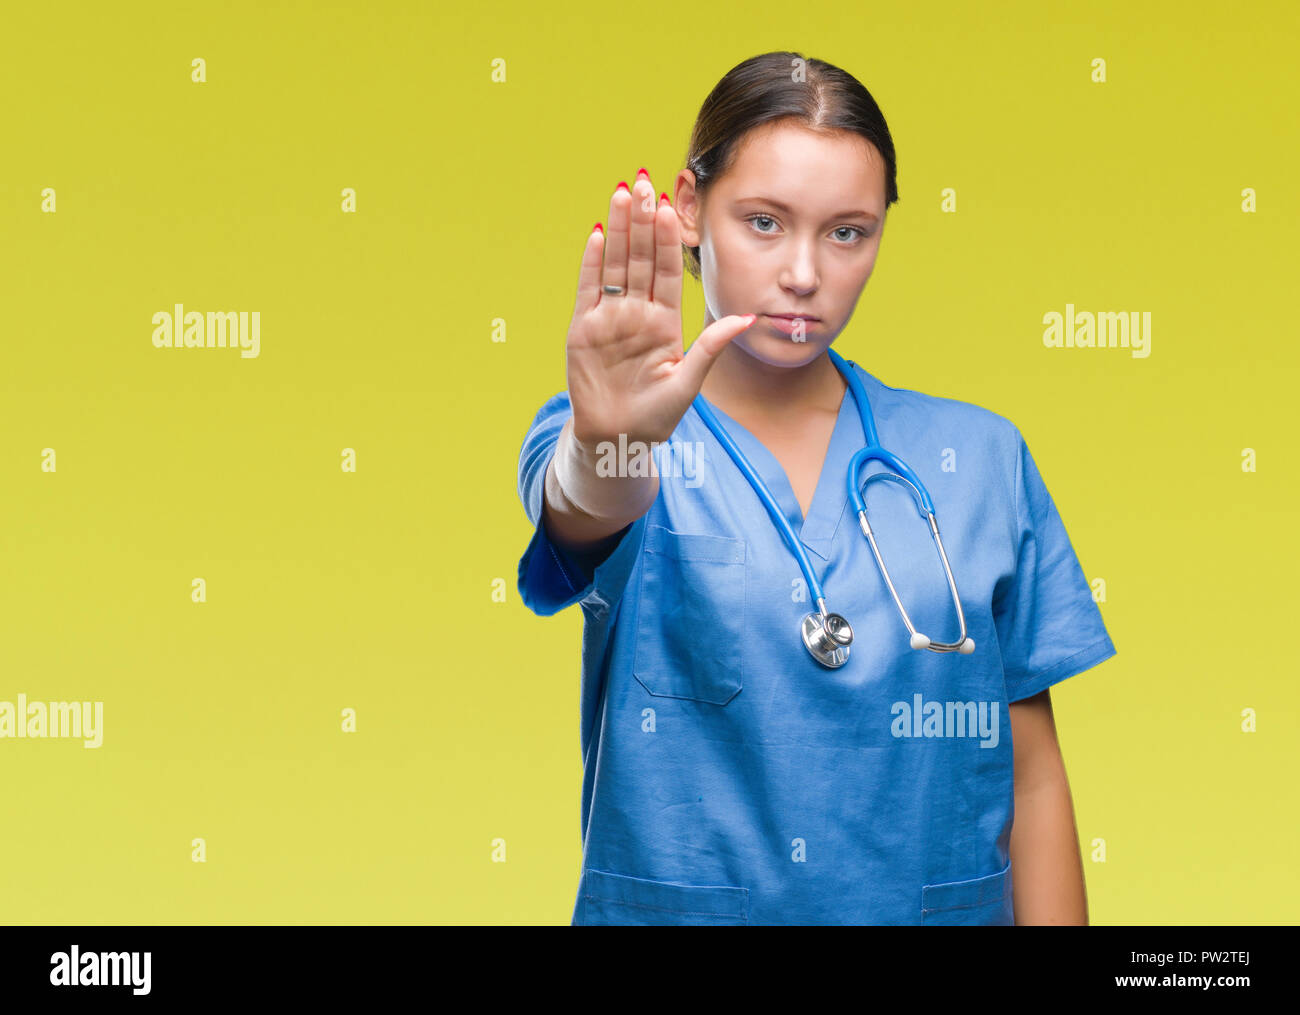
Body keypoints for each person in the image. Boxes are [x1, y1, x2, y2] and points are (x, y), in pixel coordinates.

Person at [515, 51, 1116, 925]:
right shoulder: (612, 437)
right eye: (764, 222)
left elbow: (1029, 772)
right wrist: (609, 440)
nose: (805, 272)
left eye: (847, 231)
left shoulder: (979, 457)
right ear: (689, 208)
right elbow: (582, 504)